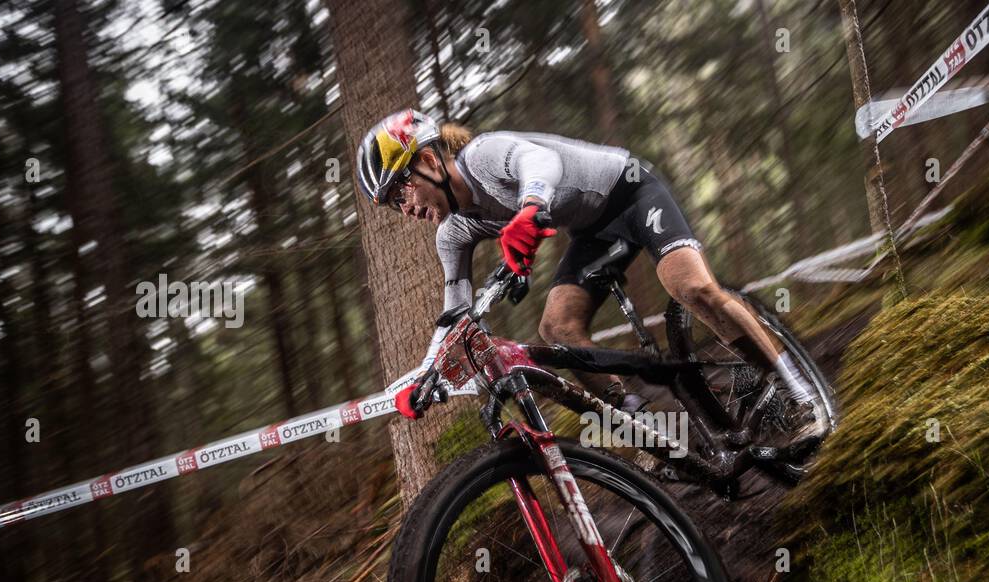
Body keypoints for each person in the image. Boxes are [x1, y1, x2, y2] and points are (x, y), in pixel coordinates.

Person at [354, 108, 828, 443]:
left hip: (631, 191)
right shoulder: (452, 233)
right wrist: (427, 375)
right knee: (555, 330)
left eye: (402, 189)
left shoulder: (482, 156)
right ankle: (644, 428)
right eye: (393, 203)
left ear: (430, 161)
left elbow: (542, 163)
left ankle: (799, 393)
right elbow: (452, 316)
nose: (406, 208)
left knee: (689, 287)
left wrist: (531, 207)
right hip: (591, 230)